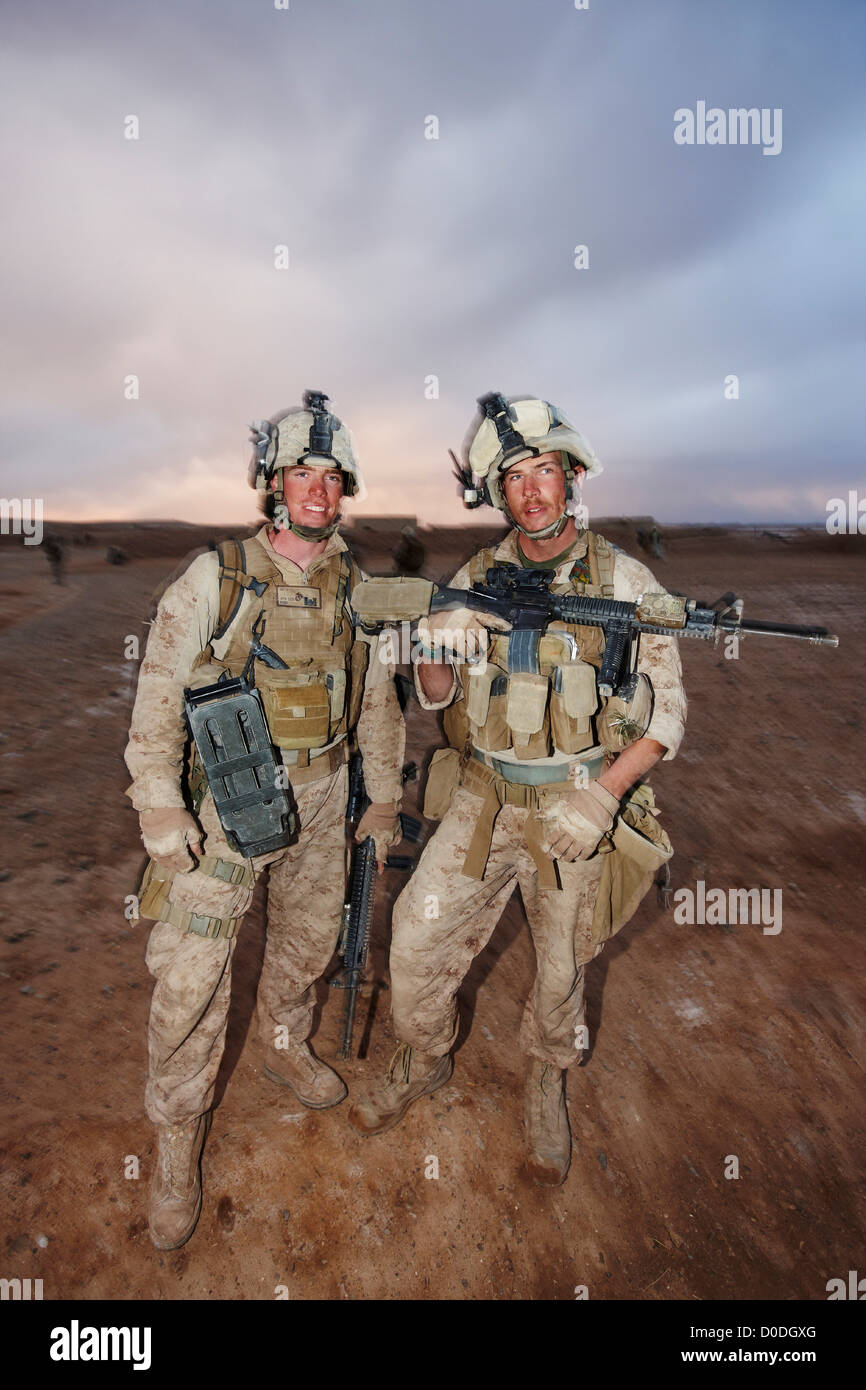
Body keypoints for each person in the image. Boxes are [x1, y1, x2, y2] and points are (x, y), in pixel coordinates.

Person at [348, 393, 687, 1186]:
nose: (532, 490)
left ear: (570, 476)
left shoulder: (621, 578)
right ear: (496, 493)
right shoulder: (477, 574)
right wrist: (433, 640)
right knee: (416, 939)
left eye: (544, 471)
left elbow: (666, 713)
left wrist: (604, 794)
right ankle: (426, 1052)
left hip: (575, 807)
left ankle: (545, 1076)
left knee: (563, 970)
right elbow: (435, 692)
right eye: (514, 478)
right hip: (480, 801)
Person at [125, 391, 405, 1249]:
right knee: (191, 978)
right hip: (226, 800)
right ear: (271, 483)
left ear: (343, 488)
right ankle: (178, 1141)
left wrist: (385, 797)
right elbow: (157, 702)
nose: (317, 489)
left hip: (327, 799)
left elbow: (381, 703)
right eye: (300, 472)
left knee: (307, 942)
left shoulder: (361, 587)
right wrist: (162, 808)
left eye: (330, 475)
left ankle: (286, 1044)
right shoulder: (215, 576)